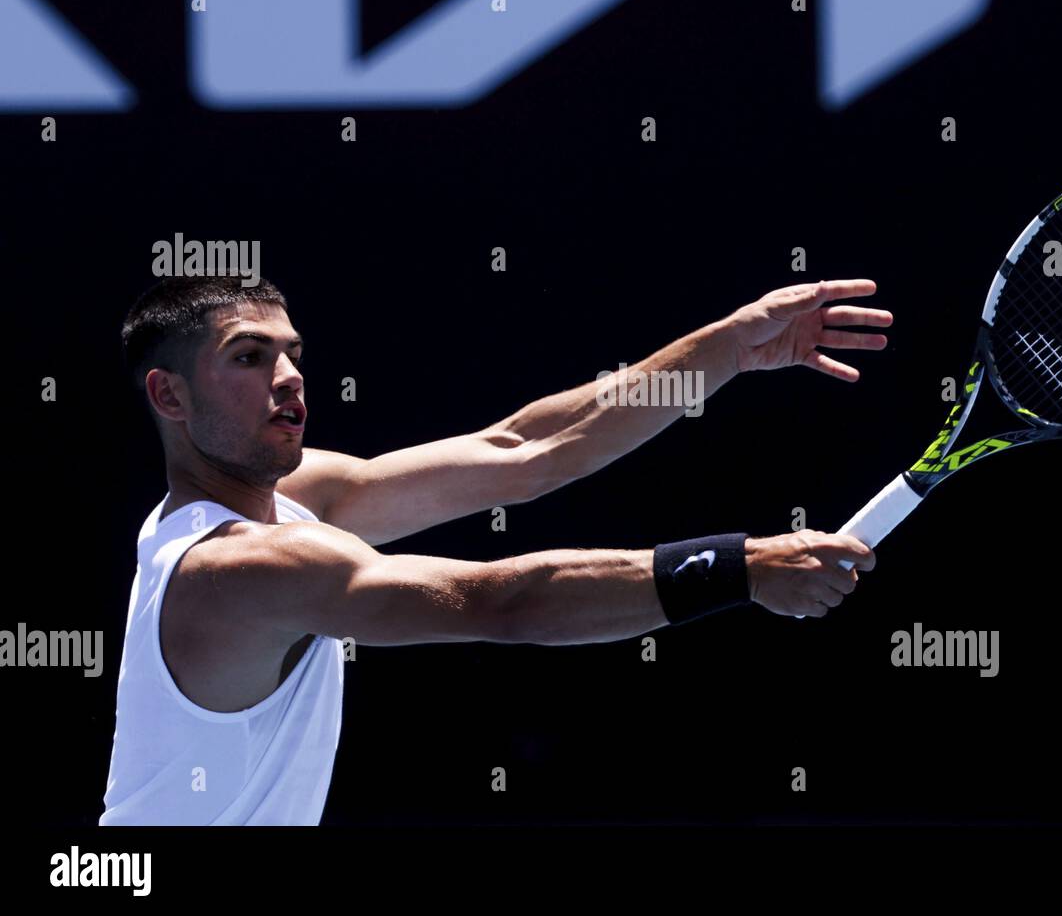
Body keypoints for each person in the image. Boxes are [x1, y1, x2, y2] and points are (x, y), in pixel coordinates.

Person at [100, 273, 892, 824]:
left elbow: (523, 449)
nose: (290, 378)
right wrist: (738, 567)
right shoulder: (235, 570)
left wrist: (728, 347)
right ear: (169, 394)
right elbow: (498, 600)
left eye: (293, 353)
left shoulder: (288, 500)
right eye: (249, 357)